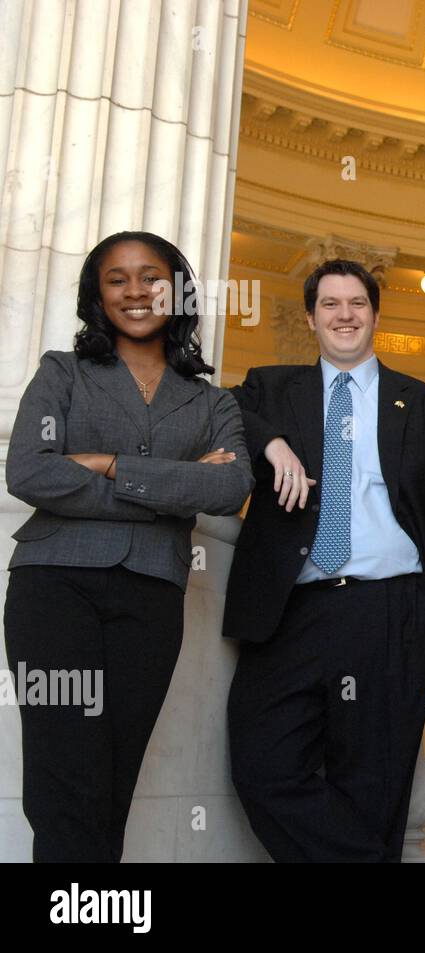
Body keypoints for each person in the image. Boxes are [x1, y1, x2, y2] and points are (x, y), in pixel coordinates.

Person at [223, 258, 425, 862]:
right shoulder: (270, 388)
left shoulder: (421, 404)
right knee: (262, 767)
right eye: (331, 305)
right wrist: (273, 442)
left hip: (389, 610)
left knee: (374, 789)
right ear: (311, 318)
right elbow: (217, 407)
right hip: (291, 610)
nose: (345, 315)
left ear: (374, 315)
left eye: (357, 304)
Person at [3, 231, 253, 862]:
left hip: (152, 593)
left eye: (151, 277)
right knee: (66, 776)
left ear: (176, 290)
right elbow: (30, 472)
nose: (136, 291)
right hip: (54, 587)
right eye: (118, 279)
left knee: (116, 776)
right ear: (99, 294)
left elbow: (228, 488)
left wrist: (107, 463)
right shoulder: (64, 371)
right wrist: (173, 488)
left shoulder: (211, 399)